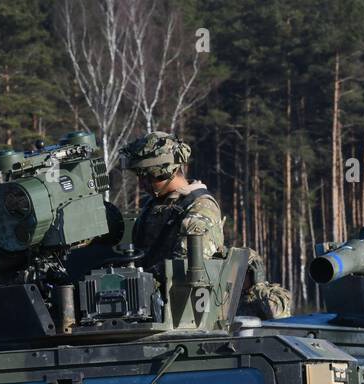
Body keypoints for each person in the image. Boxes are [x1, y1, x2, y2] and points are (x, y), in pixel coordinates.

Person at [119, 131, 225, 266]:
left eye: (146, 177)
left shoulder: (201, 207)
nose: (141, 184)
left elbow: (185, 267)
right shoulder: (156, 205)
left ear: (165, 172)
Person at [240, 249, 292, 320]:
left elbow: (278, 316)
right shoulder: (231, 297)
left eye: (241, 271)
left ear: (253, 273)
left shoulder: (276, 294)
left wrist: (259, 286)